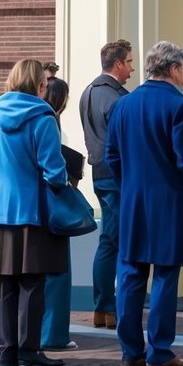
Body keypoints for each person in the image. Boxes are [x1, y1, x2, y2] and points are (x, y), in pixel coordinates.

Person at [107, 41, 183, 366]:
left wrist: (130, 187)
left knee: (131, 276)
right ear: (174, 69)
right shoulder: (179, 106)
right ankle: (160, 351)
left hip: (134, 203)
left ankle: (129, 351)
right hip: (170, 204)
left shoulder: (124, 104)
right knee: (164, 276)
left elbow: (112, 157)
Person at [0, 59, 69, 366]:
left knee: (7, 284)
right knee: (32, 283)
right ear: (40, 85)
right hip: (32, 210)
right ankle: (29, 350)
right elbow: (54, 172)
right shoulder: (43, 118)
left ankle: (7, 350)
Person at [78, 39, 133, 328]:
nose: (133, 69)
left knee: (108, 240)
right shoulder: (118, 98)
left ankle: (103, 308)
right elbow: (126, 143)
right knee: (118, 241)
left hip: (99, 174)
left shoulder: (87, 93)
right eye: (130, 62)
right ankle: (111, 308)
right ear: (118, 63)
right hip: (116, 176)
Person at [40, 76, 84, 351]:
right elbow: (53, 167)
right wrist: (67, 181)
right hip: (52, 204)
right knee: (58, 272)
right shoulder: (49, 120)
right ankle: (54, 335)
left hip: (27, 208)